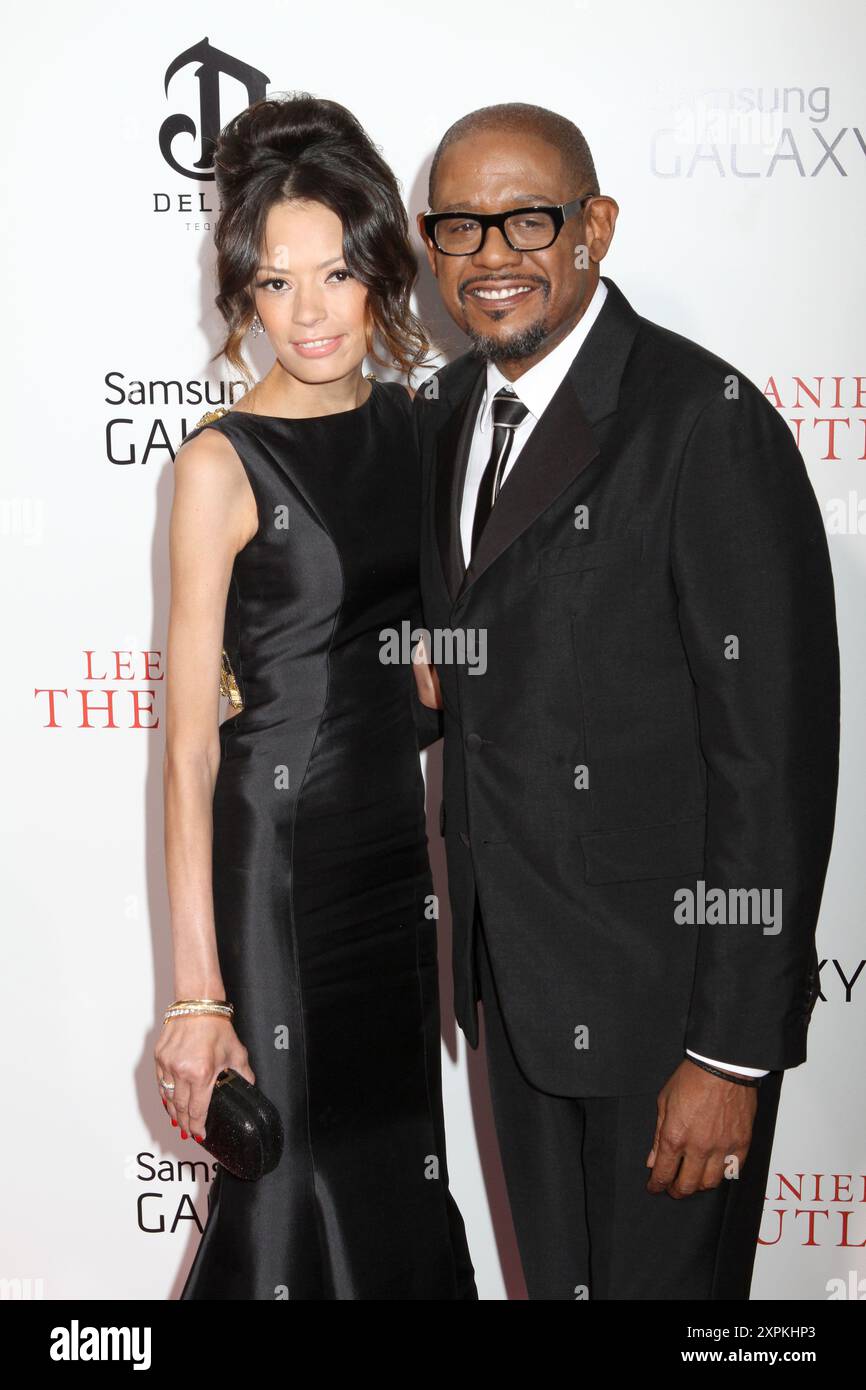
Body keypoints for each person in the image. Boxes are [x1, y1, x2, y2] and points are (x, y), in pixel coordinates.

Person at [413, 102, 839, 1300]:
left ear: (593, 226)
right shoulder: (444, 415)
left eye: (527, 219)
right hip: (515, 987)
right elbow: (454, 672)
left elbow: (774, 762)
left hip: (666, 1019)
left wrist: (728, 1053)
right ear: (429, 245)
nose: (490, 254)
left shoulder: (704, 423)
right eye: (459, 226)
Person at [157, 93, 476, 1300]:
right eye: (277, 283)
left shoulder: (416, 425)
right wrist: (197, 996)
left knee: (395, 1157)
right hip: (275, 870)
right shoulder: (220, 464)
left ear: (377, 271)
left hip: (393, 863)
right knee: (289, 1176)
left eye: (335, 274)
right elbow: (188, 747)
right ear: (242, 294)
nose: (309, 312)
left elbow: (427, 658)